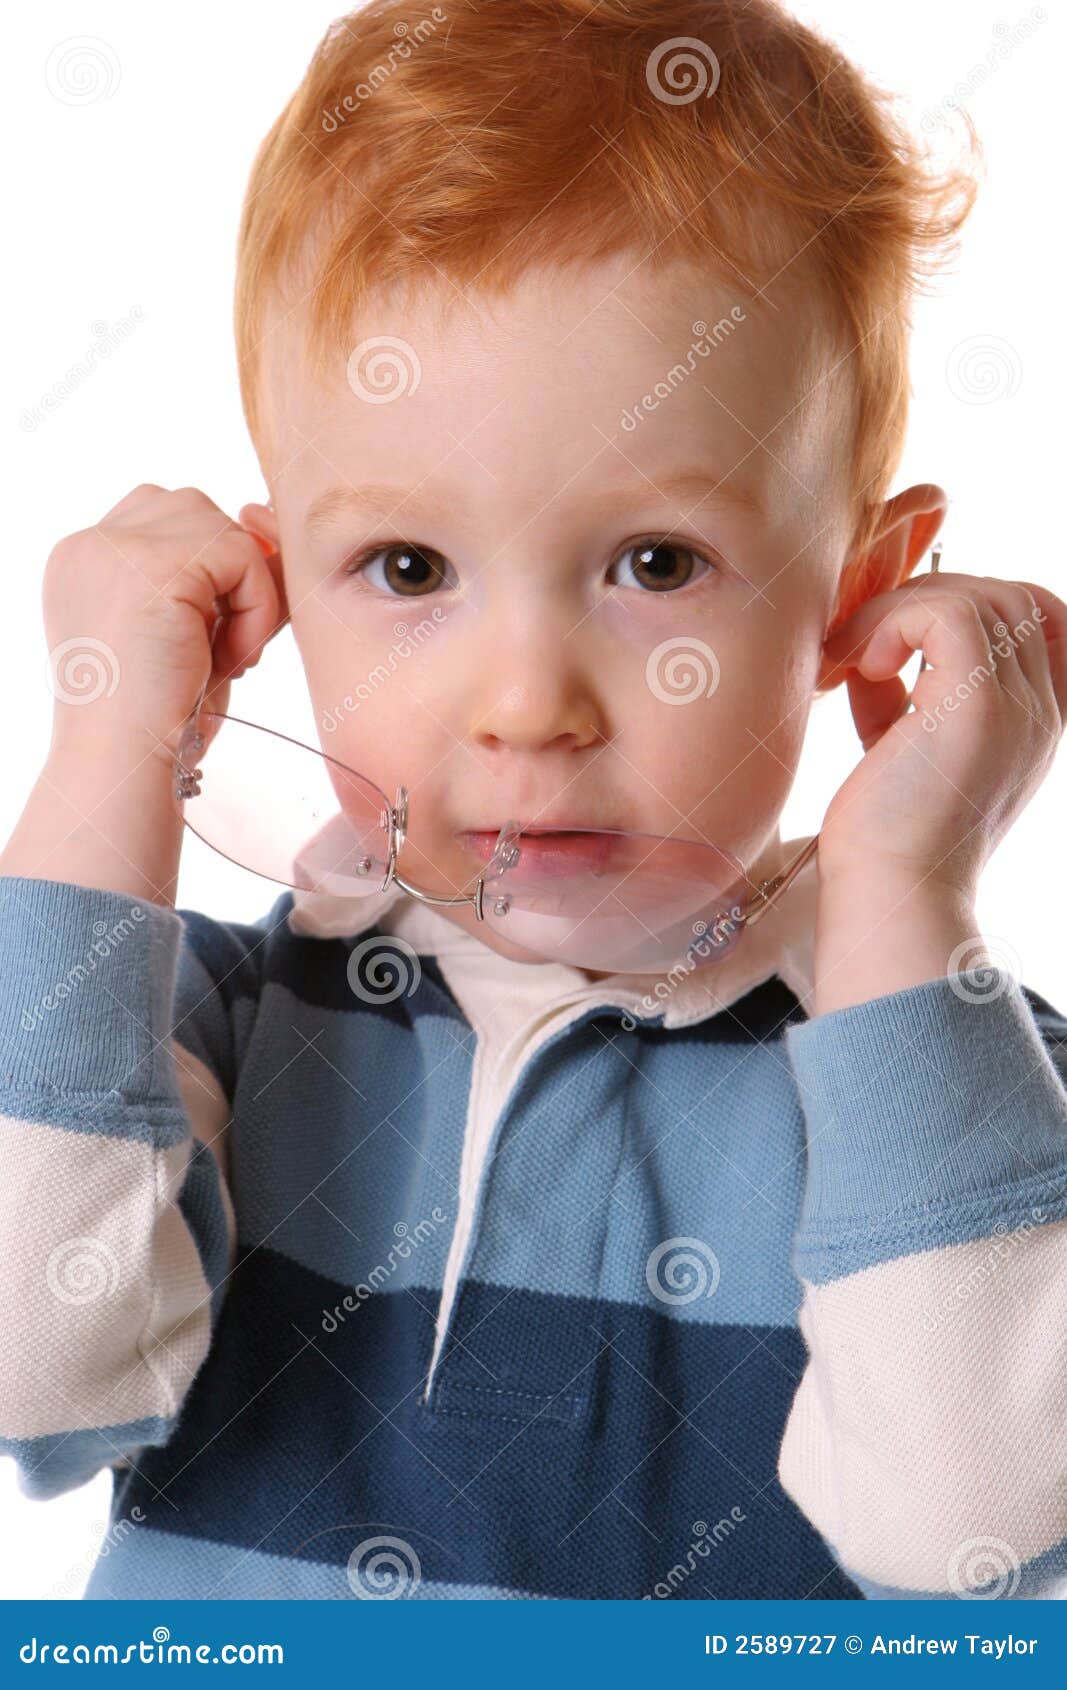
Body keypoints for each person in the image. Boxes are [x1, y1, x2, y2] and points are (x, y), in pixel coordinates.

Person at [2, 0, 1066, 1602]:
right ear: (278, 585)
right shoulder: (204, 1030)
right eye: (409, 567)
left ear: (860, 590)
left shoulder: (961, 1086)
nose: (525, 708)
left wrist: (911, 890)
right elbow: (30, 1378)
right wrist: (107, 756)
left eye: (657, 564)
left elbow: (972, 1539)